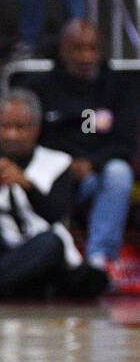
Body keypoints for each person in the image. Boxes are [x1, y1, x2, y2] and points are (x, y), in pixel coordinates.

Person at [0, 89, 104, 298]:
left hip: (36, 254)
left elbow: (57, 214)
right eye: (5, 126)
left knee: (53, 241)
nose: (11, 135)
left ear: (36, 128)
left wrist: (26, 184)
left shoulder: (58, 162)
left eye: (20, 127)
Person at [21, 20, 137, 277]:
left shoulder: (119, 86)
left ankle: (99, 259)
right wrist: (64, 164)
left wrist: (92, 164)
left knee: (119, 172)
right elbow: (32, 140)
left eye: (92, 49)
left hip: (99, 175)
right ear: (63, 50)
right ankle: (40, 257)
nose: (86, 56)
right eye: (78, 49)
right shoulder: (40, 87)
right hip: (54, 176)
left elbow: (126, 142)